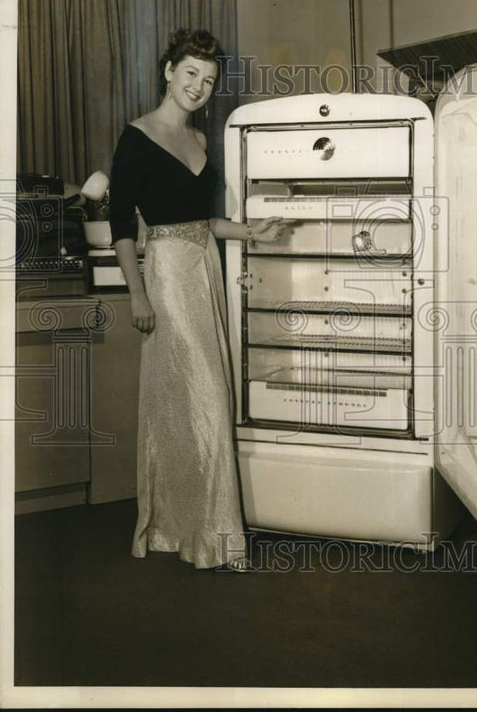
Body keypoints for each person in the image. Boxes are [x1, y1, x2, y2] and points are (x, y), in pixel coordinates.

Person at [108, 28, 285, 571]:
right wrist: (137, 294)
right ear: (168, 71)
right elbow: (121, 226)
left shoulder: (203, 143)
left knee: (194, 402)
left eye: (208, 81)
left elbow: (204, 219)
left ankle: (186, 531)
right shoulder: (136, 137)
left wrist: (253, 232)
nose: (199, 87)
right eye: (190, 74)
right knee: (203, 397)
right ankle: (211, 536)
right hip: (165, 272)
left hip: (205, 266)